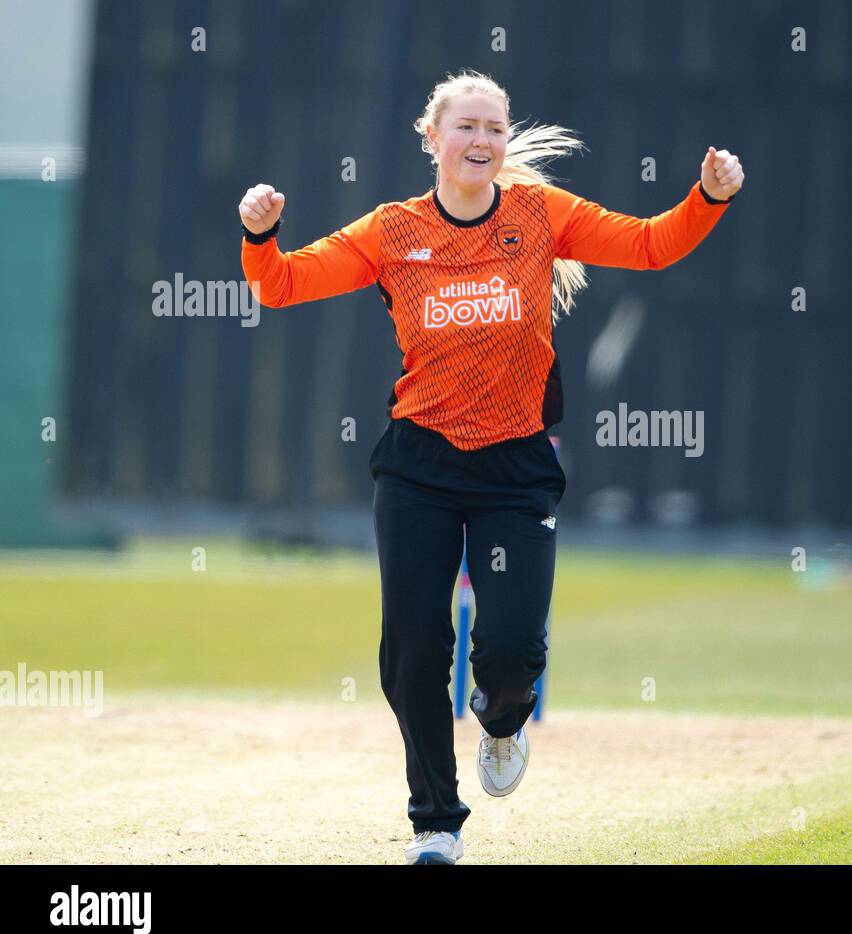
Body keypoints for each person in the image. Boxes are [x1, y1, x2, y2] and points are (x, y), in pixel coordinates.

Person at [237, 70, 743, 861]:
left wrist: (707, 195)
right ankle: (435, 819)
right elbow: (281, 284)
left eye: (495, 129)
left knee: (509, 656)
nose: (481, 141)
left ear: (506, 142)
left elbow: (650, 245)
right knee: (412, 649)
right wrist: (260, 234)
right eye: (466, 126)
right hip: (418, 466)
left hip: (515, 465)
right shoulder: (392, 230)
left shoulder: (541, 215)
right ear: (431, 138)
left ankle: (501, 720)